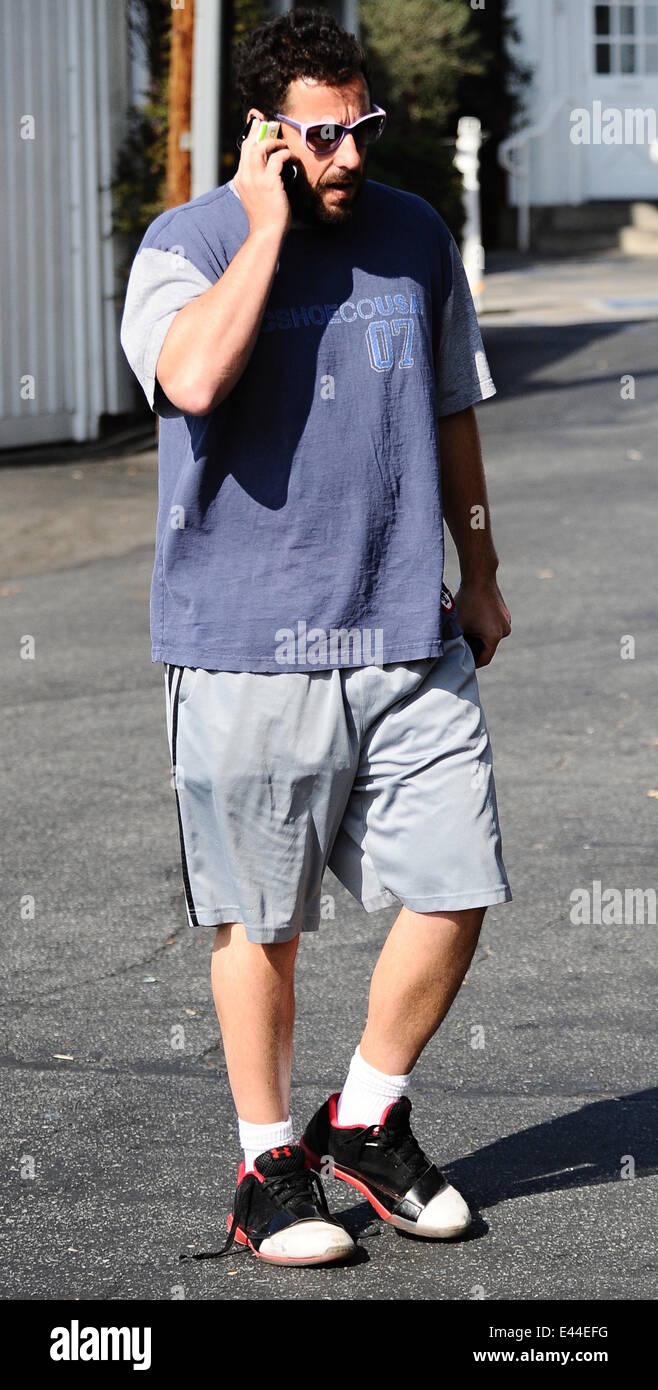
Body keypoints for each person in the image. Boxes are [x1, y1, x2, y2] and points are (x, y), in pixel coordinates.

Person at [120, 6, 512, 1269]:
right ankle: (267, 1164)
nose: (348, 159)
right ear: (265, 132)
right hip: (241, 648)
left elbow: (453, 407)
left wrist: (483, 568)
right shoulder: (186, 244)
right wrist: (271, 226)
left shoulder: (411, 232)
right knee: (261, 925)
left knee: (457, 886)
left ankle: (366, 1114)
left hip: (405, 629)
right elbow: (191, 378)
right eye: (321, 138)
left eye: (362, 131)